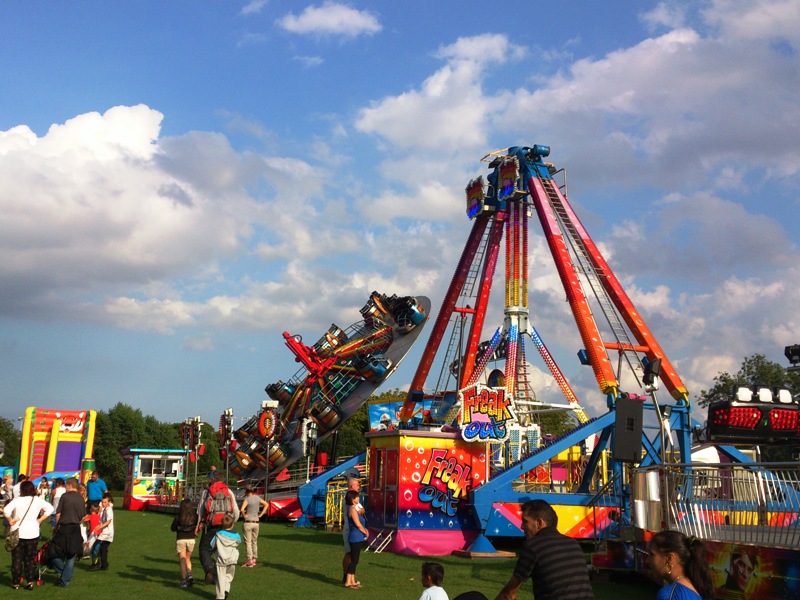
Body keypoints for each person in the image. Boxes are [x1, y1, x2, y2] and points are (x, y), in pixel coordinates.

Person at [495, 499, 595, 600]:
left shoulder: (533, 546)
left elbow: (508, 594)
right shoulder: (574, 544)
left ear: (539, 523)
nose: (522, 526)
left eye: (525, 521)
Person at [3, 480, 54, 590]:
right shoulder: (37, 500)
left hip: (18, 532)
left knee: (16, 559)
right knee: (29, 559)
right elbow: (50, 508)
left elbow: (6, 510)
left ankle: (16, 583)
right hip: (32, 532)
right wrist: (40, 520)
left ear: (21, 490)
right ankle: (30, 582)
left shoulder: (18, 500)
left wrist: (10, 520)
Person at [196, 471, 240, 585]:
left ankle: (208, 568)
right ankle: (216, 579)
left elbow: (200, 509)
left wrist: (198, 524)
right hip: (224, 526)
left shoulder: (207, 492)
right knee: (219, 552)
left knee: (204, 549)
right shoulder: (228, 491)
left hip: (210, 525)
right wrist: (231, 522)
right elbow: (236, 510)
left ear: (213, 479)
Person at [648, 530, 713, 600]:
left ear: (669, 558)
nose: (647, 560)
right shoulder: (698, 589)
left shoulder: (669, 595)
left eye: (652, 555)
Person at [50, 477, 86, 587]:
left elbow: (58, 513)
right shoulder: (81, 498)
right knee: (71, 555)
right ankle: (65, 580)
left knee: (52, 552)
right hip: (75, 528)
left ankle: (64, 574)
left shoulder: (64, 496)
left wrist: (56, 526)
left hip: (64, 528)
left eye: (66, 485)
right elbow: (83, 516)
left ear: (69, 485)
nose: (65, 487)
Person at [210, 514, 241, 600]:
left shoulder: (218, 535)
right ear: (232, 525)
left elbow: (212, 544)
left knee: (221, 577)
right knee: (229, 576)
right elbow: (239, 542)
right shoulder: (236, 535)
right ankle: (226, 590)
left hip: (221, 560)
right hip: (232, 559)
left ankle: (220, 596)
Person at [171, 498, 199, 588]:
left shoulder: (178, 516)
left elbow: (173, 528)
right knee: (188, 559)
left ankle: (183, 581)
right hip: (191, 539)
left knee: (182, 560)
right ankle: (190, 575)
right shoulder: (195, 516)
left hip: (181, 539)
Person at [344, 489, 368, 589]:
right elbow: (357, 524)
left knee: (356, 560)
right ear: (353, 499)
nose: (358, 498)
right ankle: (348, 581)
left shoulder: (355, 508)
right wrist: (365, 531)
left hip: (358, 537)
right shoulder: (352, 510)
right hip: (355, 537)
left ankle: (352, 581)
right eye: (357, 497)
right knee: (354, 560)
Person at [239, 487, 268, 568]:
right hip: (256, 522)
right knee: (254, 541)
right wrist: (261, 515)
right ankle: (254, 558)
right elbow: (266, 504)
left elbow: (242, 509)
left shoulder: (247, 499)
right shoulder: (257, 498)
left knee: (248, 542)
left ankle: (249, 560)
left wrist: (244, 515)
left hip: (248, 522)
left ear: (246, 491)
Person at [342, 477, 362, 583]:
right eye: (357, 485)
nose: (359, 486)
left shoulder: (354, 498)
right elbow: (360, 510)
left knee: (352, 555)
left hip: (353, 530)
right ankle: (347, 577)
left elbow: (361, 509)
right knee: (350, 554)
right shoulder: (349, 499)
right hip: (350, 530)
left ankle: (350, 578)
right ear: (351, 486)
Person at [89, 492, 114, 571]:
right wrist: (98, 526)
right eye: (102, 502)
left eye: (105, 502)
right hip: (105, 532)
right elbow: (102, 520)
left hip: (107, 533)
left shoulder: (109, 510)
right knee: (103, 549)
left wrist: (100, 527)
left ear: (109, 502)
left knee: (95, 547)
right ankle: (104, 565)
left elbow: (108, 521)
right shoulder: (104, 509)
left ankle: (96, 564)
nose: (103, 504)